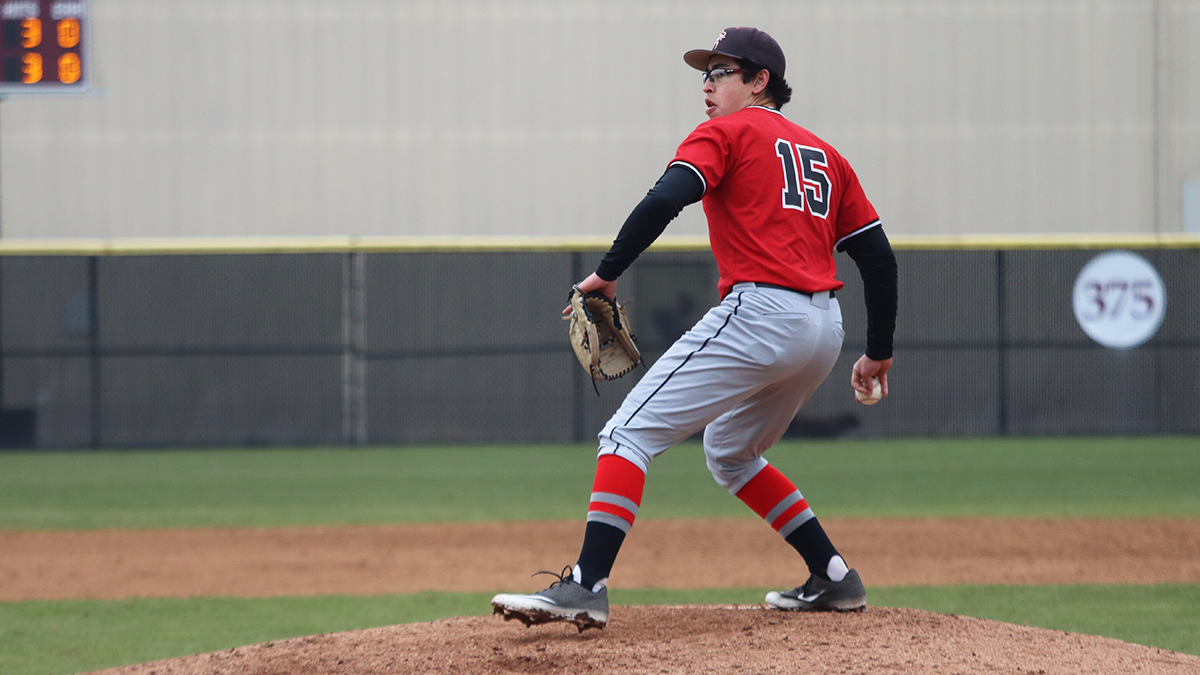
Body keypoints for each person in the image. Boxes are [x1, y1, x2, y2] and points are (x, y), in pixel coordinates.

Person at [492, 26, 898, 631]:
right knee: (731, 452)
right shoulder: (827, 155)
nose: (707, 85)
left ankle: (585, 584)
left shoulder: (726, 132)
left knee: (625, 434)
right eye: (704, 74)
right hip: (823, 331)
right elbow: (878, 258)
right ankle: (834, 577)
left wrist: (605, 275)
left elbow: (665, 198)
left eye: (721, 72)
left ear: (760, 82)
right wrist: (879, 354)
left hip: (762, 312)